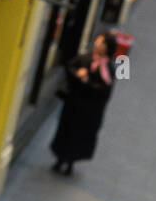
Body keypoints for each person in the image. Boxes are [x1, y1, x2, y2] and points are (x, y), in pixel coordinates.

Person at [50, 32, 117, 175]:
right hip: (73, 106)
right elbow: (70, 66)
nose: (97, 45)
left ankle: (70, 163)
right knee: (66, 132)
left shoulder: (107, 69)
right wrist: (77, 74)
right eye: (98, 41)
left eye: (102, 43)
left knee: (79, 136)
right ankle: (60, 159)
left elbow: (104, 90)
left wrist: (87, 82)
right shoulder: (86, 58)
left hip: (88, 111)